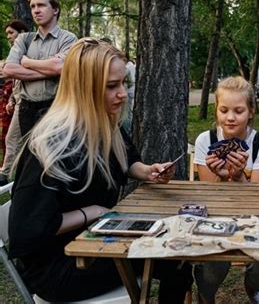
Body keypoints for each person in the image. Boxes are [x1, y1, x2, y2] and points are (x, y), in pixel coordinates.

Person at [8, 38, 193, 302]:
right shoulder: (51, 146)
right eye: (111, 86)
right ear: (84, 89)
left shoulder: (103, 124)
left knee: (177, 259)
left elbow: (126, 161)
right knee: (172, 256)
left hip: (94, 242)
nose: (122, 94)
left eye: (123, 84)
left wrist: (148, 171)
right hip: (59, 265)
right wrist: (92, 213)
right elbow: (27, 230)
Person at [193, 76, 259, 304]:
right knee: (213, 262)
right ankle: (206, 294)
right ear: (216, 111)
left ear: (251, 111)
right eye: (224, 110)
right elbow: (207, 195)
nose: (230, 118)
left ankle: (253, 286)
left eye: (238, 111)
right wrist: (221, 178)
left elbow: (257, 199)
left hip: (253, 218)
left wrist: (239, 175)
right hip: (215, 217)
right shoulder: (206, 140)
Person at [3, 0, 77, 136]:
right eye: (33, 6)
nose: (36, 11)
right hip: (26, 108)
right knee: (22, 155)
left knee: (50, 155)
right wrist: (50, 71)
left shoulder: (68, 38)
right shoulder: (24, 39)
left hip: (54, 107)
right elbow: (8, 70)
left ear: (55, 10)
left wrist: (26, 62)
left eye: (41, 5)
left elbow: (59, 67)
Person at [0, 19, 29, 186]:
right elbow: (16, 81)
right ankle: (9, 173)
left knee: (13, 138)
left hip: (29, 102)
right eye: (7, 34)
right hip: (18, 101)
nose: (9, 37)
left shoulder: (28, 52)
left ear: (22, 32)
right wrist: (11, 99)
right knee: (12, 139)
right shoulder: (15, 53)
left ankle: (6, 174)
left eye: (11, 33)